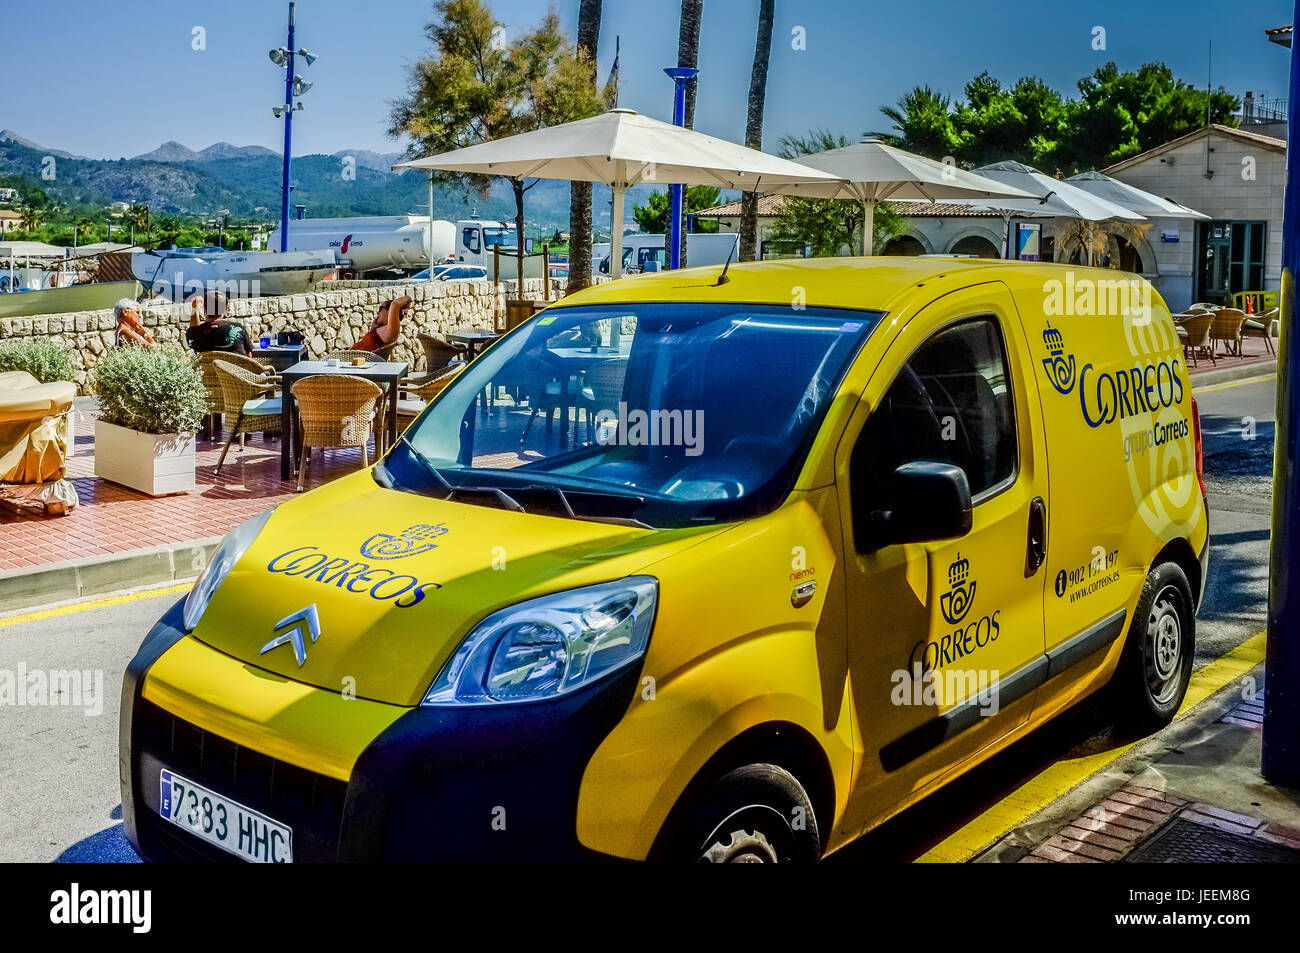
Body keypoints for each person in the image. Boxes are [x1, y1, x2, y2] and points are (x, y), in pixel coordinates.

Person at [185, 290, 253, 356]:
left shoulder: (194, 332)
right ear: (225, 309)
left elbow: (194, 329)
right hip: (236, 367)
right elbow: (249, 356)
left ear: (204, 309)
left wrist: (194, 308)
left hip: (207, 367)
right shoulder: (239, 328)